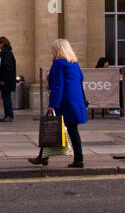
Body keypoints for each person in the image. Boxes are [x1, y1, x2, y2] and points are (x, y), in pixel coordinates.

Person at [28, 39, 87, 168]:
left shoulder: (59, 63)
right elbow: (80, 80)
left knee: (49, 128)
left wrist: (53, 104)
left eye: (53, 49)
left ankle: (43, 157)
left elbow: (58, 85)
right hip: (75, 101)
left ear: (58, 49)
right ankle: (78, 158)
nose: (51, 51)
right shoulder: (74, 63)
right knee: (72, 130)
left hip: (63, 102)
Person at [0, 36, 17, 122]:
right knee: (5, 97)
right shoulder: (5, 53)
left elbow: (7, 68)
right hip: (5, 80)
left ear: (2, 44)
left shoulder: (7, 54)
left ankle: (9, 115)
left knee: (6, 97)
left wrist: (3, 79)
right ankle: (7, 114)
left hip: (6, 81)